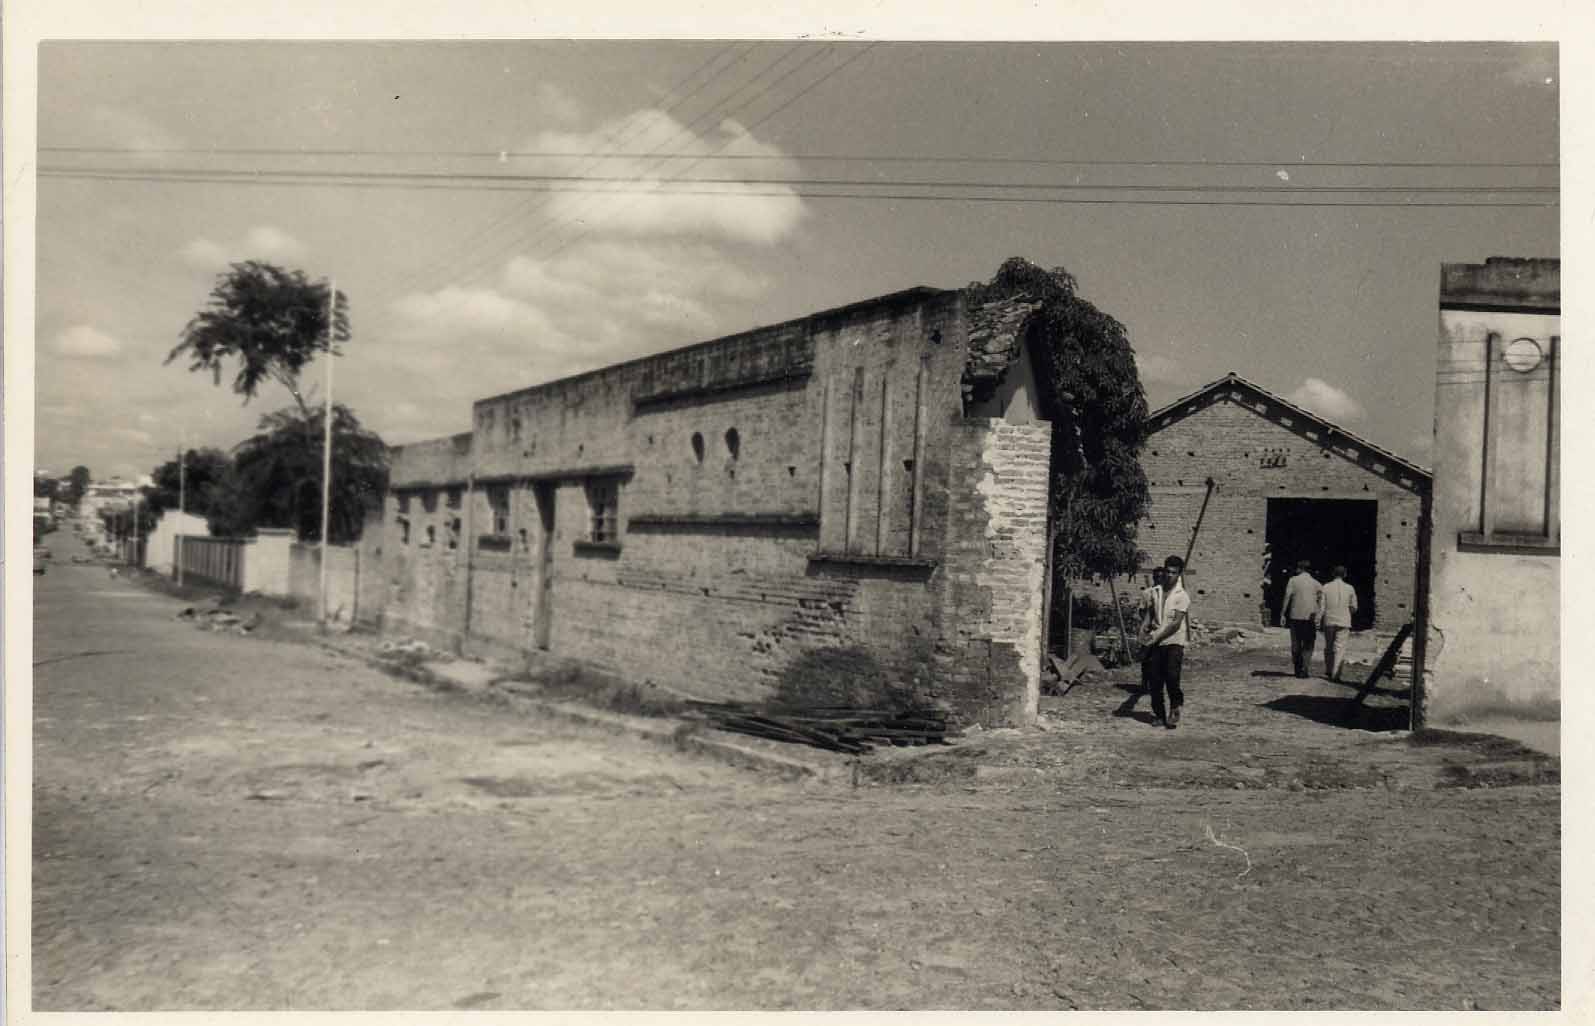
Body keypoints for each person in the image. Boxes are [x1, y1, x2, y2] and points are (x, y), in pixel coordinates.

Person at [1140, 555, 1190, 728]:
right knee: (1154, 679)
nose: (1170, 575)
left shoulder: (1182, 596)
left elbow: (1175, 624)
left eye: (1174, 573)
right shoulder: (1156, 591)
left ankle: (1175, 704)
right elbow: (1150, 615)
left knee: (1172, 676)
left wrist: (1157, 636)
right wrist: (1143, 629)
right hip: (1155, 641)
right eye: (1168, 571)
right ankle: (1160, 715)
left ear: (1179, 574)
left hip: (1173, 641)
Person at [1280, 560, 1322, 678]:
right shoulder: (1317, 583)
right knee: (1308, 644)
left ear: (1300, 569)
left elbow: (1287, 596)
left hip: (1295, 616)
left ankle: (1297, 669)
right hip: (1310, 618)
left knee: (1296, 643)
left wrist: (1282, 614)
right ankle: (1305, 668)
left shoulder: (1293, 580)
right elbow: (1320, 602)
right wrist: (1319, 616)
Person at [1317, 565, 1359, 681]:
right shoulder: (1350, 588)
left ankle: (1329, 670)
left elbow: (1322, 606)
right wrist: (1347, 612)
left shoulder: (1326, 587)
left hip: (1329, 620)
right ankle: (1336, 674)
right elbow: (1354, 607)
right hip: (1344, 621)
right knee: (1340, 648)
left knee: (1329, 646)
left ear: (1333, 574)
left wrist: (1319, 619)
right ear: (1345, 574)